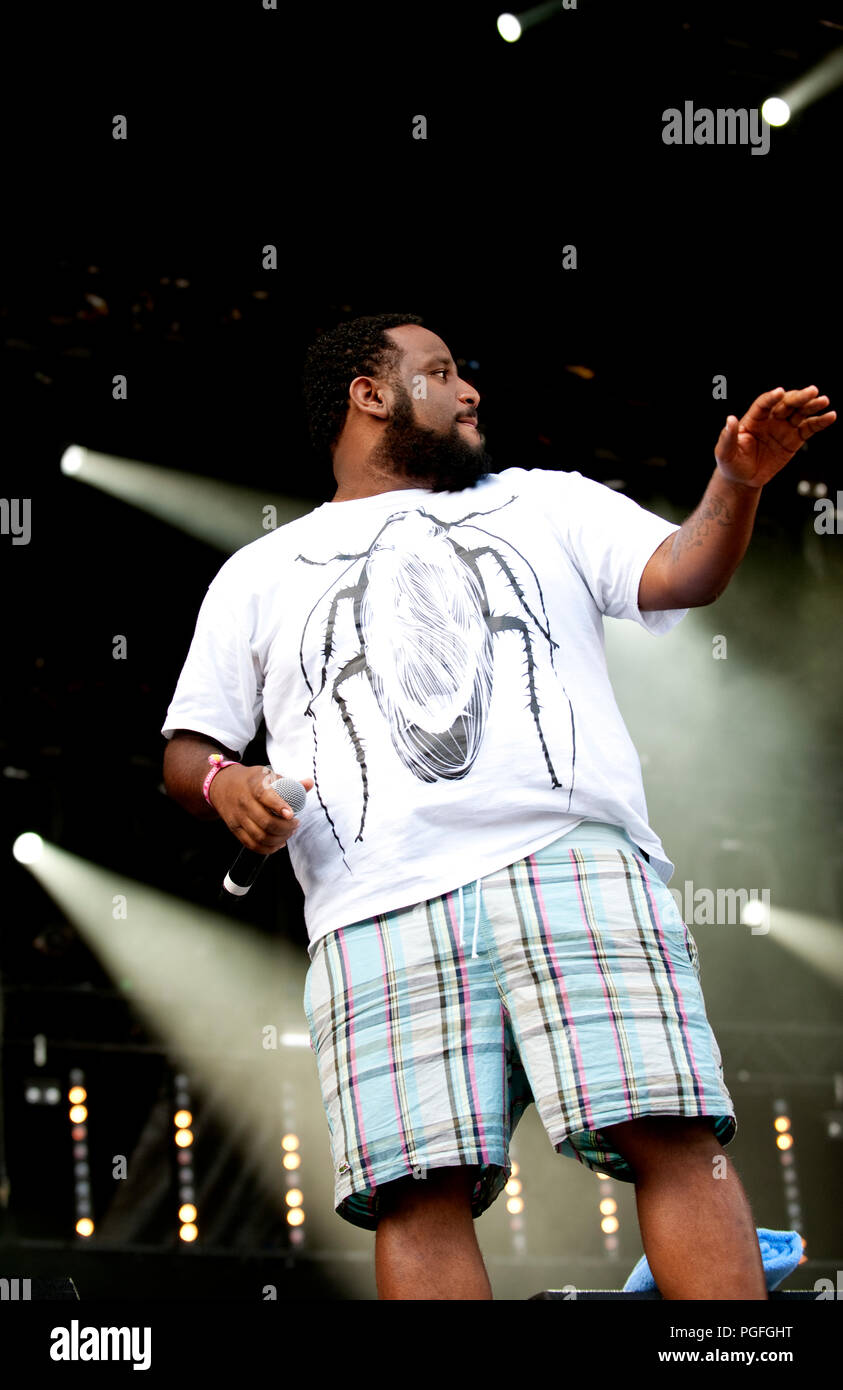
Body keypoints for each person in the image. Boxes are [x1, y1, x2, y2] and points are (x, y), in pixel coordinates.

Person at [161, 312, 835, 1300]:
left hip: (571, 857)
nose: (471, 391)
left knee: (671, 1127)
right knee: (415, 1192)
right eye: (439, 372)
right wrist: (229, 785)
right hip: (373, 901)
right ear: (370, 392)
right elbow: (188, 747)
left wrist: (737, 482)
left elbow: (682, 572)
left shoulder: (540, 503)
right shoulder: (260, 571)